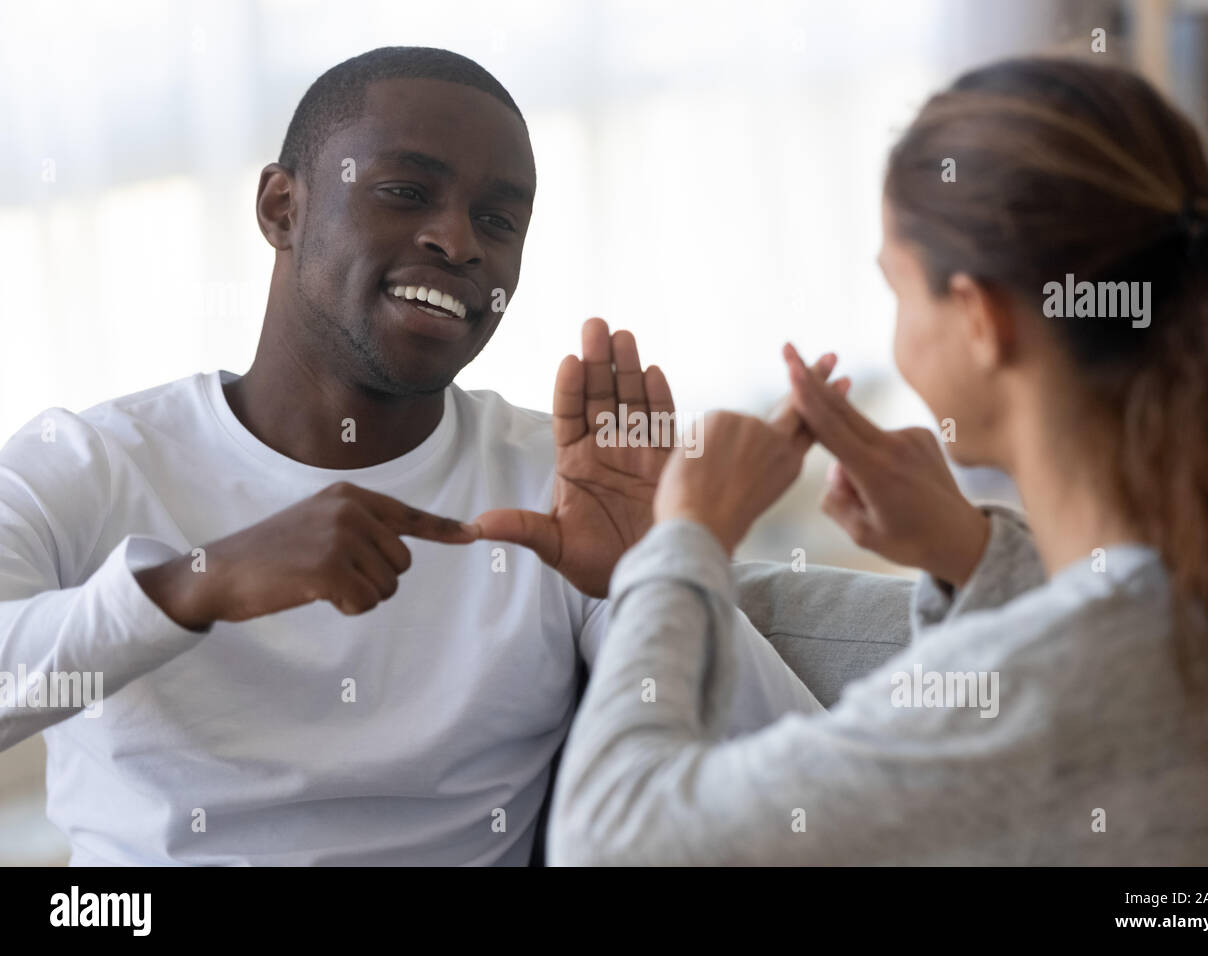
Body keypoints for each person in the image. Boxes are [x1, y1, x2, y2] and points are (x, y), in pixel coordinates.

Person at [0, 46, 840, 865]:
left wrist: (658, 569)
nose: (459, 242)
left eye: (498, 220)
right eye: (405, 192)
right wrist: (198, 582)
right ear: (280, 209)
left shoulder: (559, 486)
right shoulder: (84, 463)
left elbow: (815, 798)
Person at [546, 57, 1208, 865]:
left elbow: (608, 846)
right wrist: (972, 554)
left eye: (897, 289)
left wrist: (683, 541)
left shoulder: (1077, 673)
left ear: (979, 318)